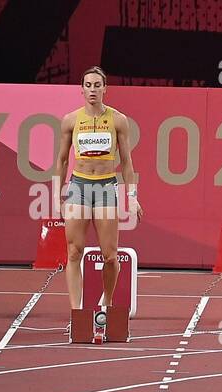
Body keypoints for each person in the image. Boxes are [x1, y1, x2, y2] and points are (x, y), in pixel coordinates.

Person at [55, 65, 143, 319]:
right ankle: (76, 313)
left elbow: (126, 163)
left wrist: (132, 197)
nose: (93, 89)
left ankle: (106, 300)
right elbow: (61, 161)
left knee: (110, 255)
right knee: (73, 251)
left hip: (105, 187)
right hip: (79, 186)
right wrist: (57, 195)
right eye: (88, 85)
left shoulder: (118, 120)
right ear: (81, 90)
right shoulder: (70, 120)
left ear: (105, 88)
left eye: (97, 85)